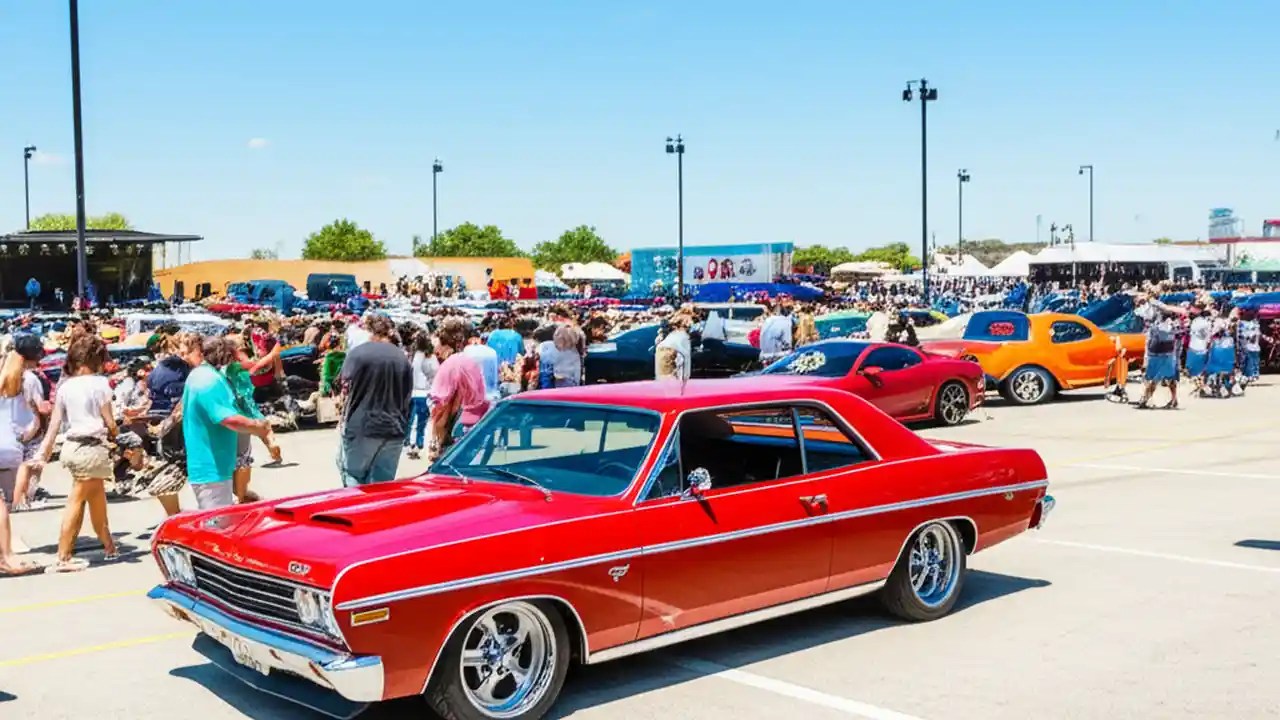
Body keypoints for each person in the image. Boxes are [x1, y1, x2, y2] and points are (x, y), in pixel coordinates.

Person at [33, 335, 119, 572]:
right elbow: (109, 421)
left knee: (96, 495)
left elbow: (54, 425)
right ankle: (63, 555)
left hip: (71, 446)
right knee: (78, 499)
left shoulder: (65, 387)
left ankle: (109, 545)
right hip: (92, 446)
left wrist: (42, 454)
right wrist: (116, 432)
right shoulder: (101, 384)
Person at [181, 337, 272, 510]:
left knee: (221, 523)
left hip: (215, 465)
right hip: (212, 468)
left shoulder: (202, 375)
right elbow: (228, 419)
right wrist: (258, 427)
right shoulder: (208, 380)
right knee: (219, 526)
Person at [337, 314, 411, 486]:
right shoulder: (402, 358)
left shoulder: (358, 353)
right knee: (382, 485)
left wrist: (341, 419)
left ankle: (354, 512)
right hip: (394, 428)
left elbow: (344, 390)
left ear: (369, 330)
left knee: (353, 475)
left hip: (362, 426)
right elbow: (407, 396)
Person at [1, 348, 41, 575]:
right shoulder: (25, 382)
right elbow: (36, 419)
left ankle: (6, 555)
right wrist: (22, 438)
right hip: (11, 447)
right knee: (4, 505)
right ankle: (5, 554)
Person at [428, 318, 489, 461]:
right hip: (473, 427)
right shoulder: (470, 362)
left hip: (453, 431)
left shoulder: (451, 364)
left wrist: (435, 442)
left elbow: (441, 406)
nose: (435, 350)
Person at [1134, 292, 1187, 409]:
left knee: (1154, 378)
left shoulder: (1160, 326)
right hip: (1166, 354)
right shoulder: (1172, 325)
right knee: (1166, 378)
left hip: (1160, 354)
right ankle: (1171, 400)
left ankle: (1146, 400)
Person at [405, 330, 437, 460]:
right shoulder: (431, 358)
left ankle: (409, 444)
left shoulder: (412, 356)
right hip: (426, 393)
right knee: (422, 422)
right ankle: (419, 444)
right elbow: (435, 375)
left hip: (412, 392)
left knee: (411, 421)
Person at [464, 330, 501, 403]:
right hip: (492, 396)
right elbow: (496, 372)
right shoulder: (492, 351)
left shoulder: (467, 351)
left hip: (472, 398)